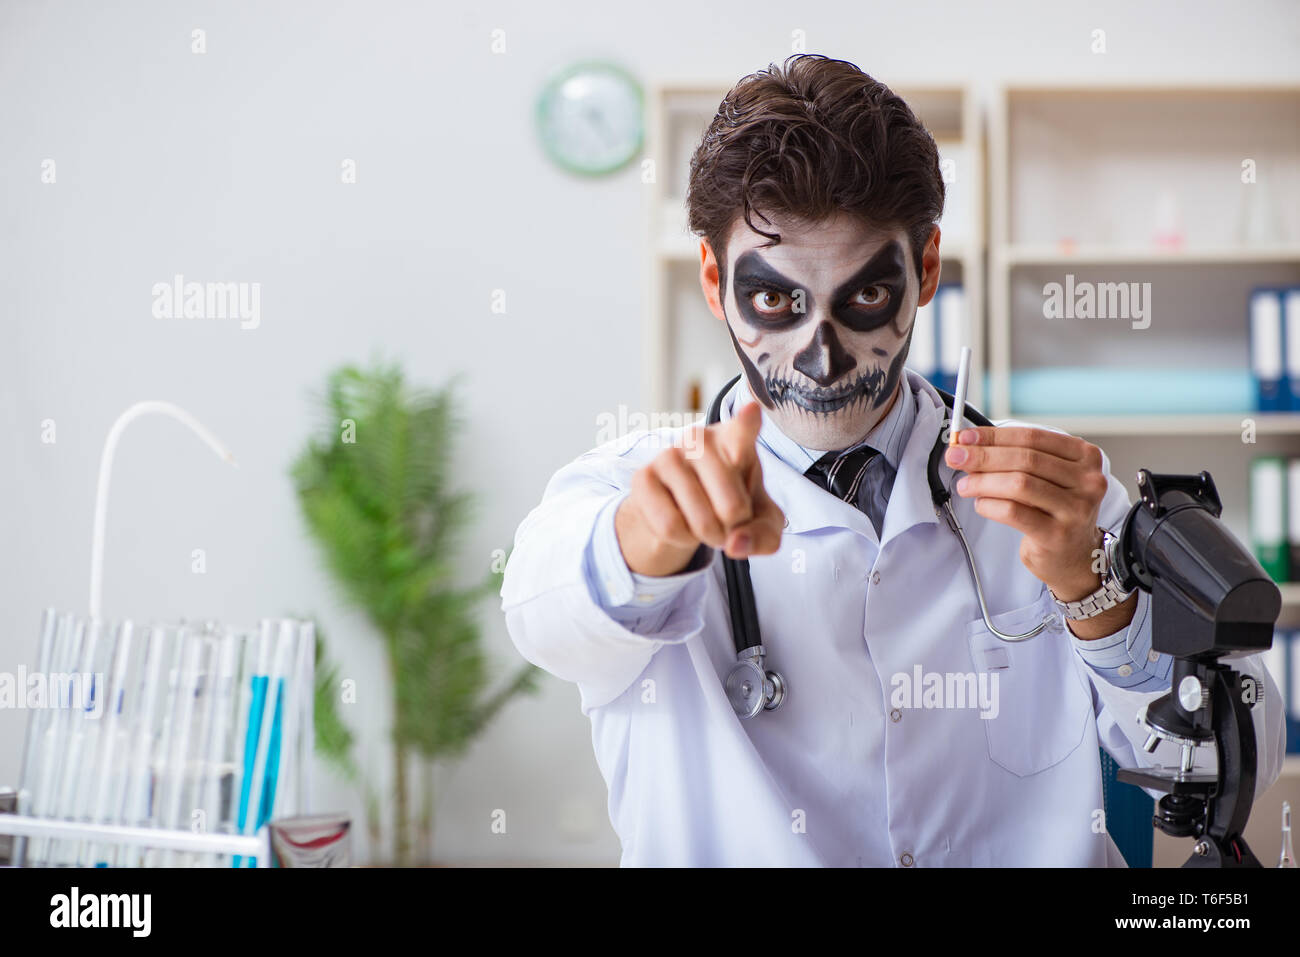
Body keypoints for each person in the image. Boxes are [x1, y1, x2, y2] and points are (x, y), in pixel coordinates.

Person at [500, 54, 1285, 866]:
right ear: (713, 279)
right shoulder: (626, 489)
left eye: (865, 297)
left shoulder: (1060, 500)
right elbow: (540, 612)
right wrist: (643, 542)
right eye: (775, 300)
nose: (821, 360)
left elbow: (1233, 766)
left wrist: (1096, 600)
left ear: (927, 270)